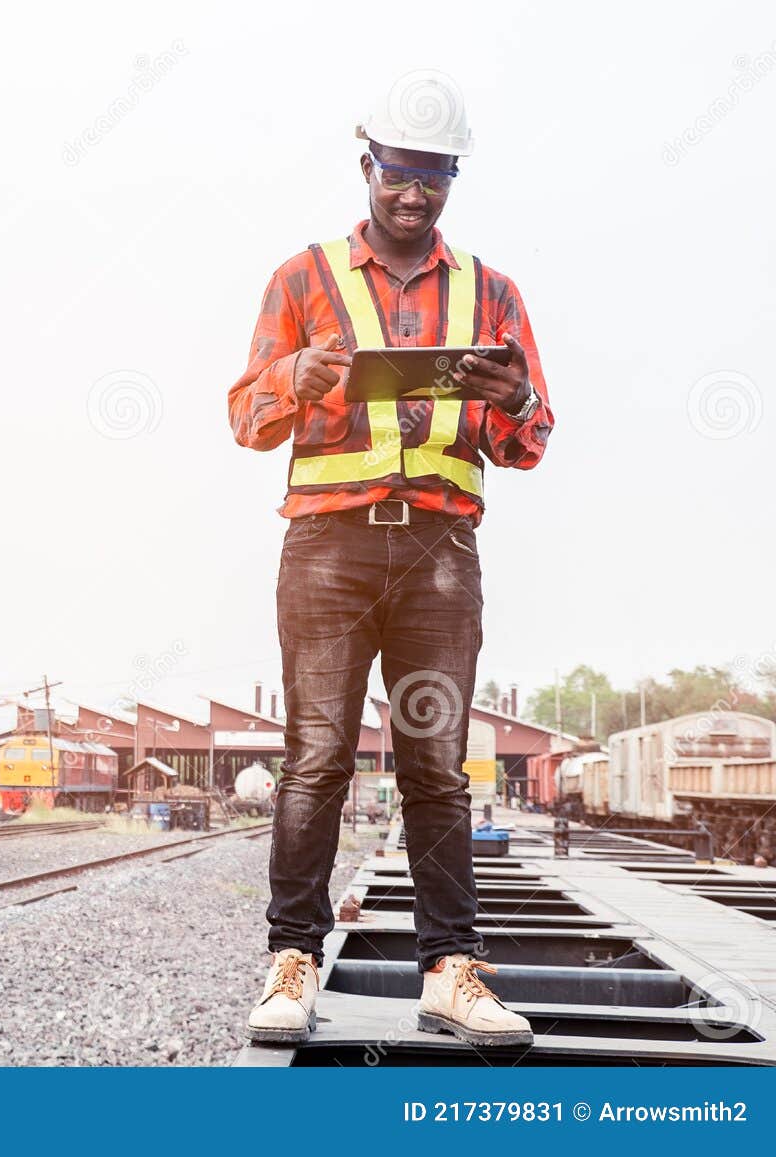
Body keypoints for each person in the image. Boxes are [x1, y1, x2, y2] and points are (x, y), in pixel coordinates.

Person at [228, 75, 554, 1047]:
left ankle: (451, 971)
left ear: (452, 176)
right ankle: (292, 959)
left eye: (432, 180)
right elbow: (246, 415)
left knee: (436, 767)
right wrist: (298, 374)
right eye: (397, 177)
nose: (412, 198)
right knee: (316, 757)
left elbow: (530, 441)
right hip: (328, 547)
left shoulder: (490, 291)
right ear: (366, 163)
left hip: (440, 551)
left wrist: (513, 396)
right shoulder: (302, 278)